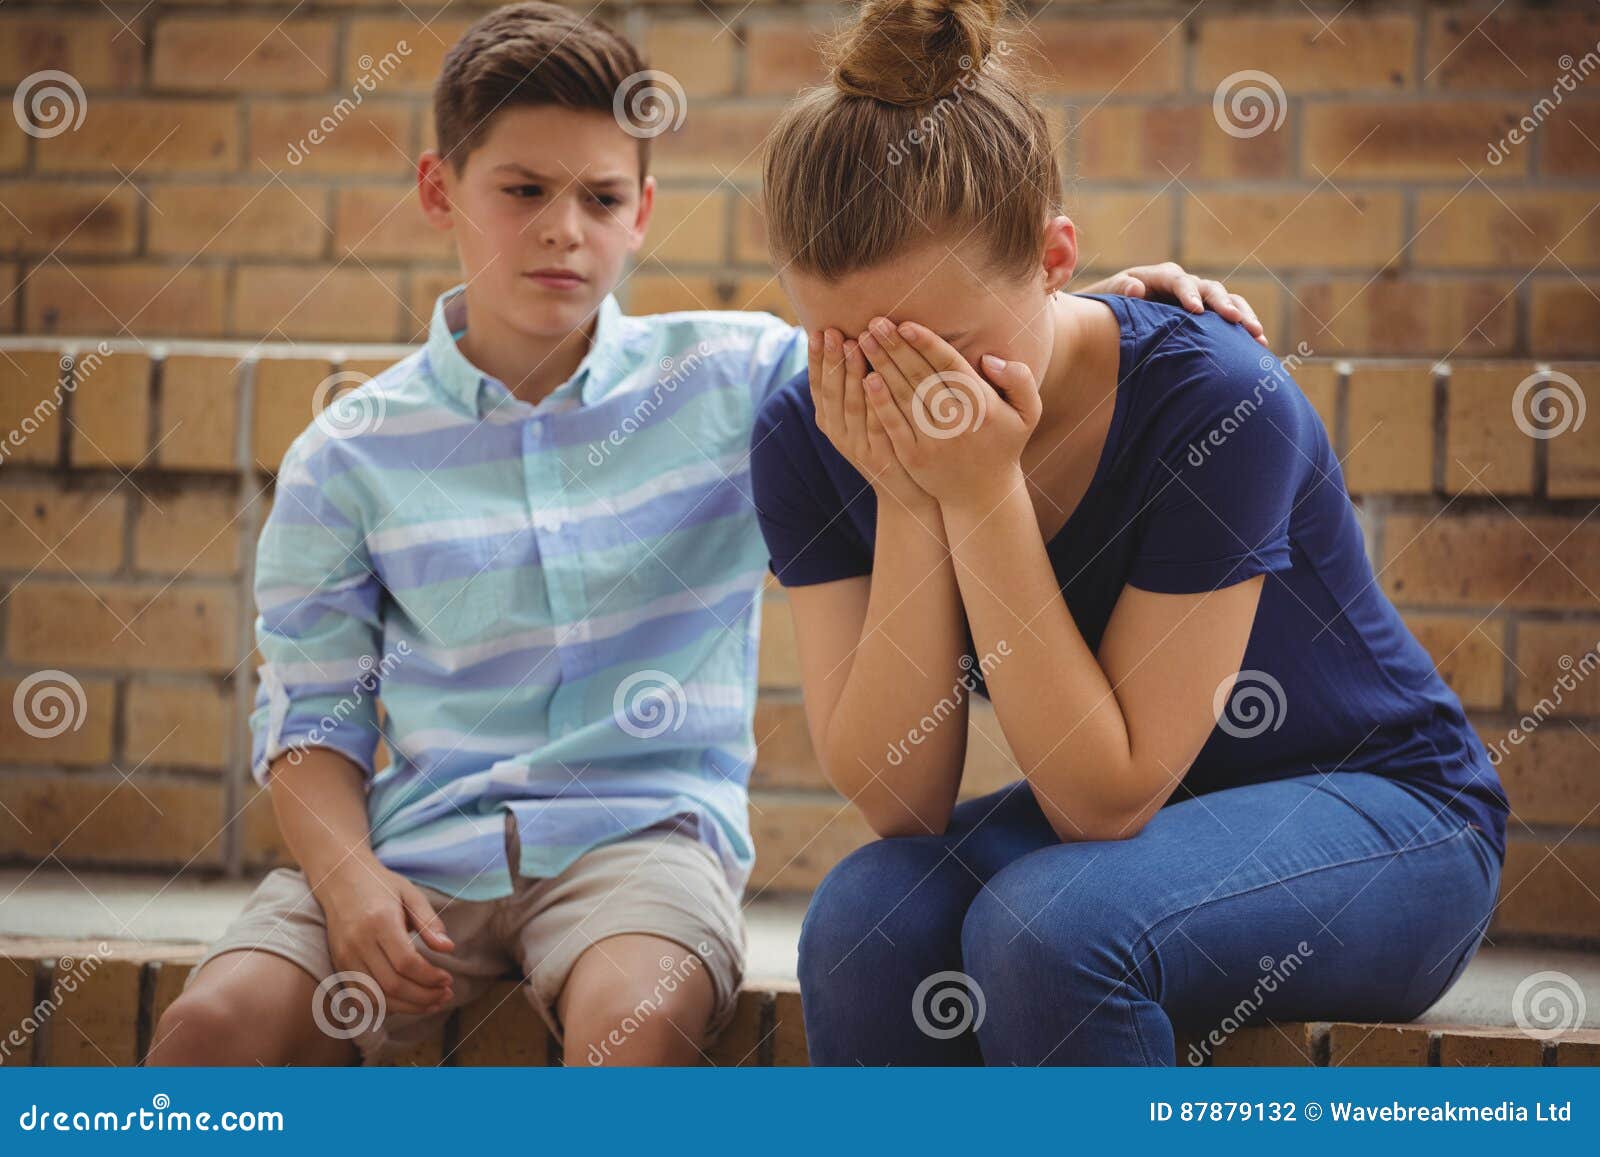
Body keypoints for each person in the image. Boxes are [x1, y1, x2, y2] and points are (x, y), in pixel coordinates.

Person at [146, 1, 1248, 1067]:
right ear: (441, 188)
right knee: (210, 1029)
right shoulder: (348, 451)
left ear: (643, 210)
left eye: (600, 196)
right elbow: (310, 712)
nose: (561, 230)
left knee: (633, 1025)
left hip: (639, 851)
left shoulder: (735, 377)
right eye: (522, 189)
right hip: (413, 844)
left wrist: (1097, 306)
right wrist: (345, 880)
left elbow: (934, 323)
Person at [748, 0, 1508, 1065]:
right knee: (862, 921)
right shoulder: (807, 427)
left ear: (1055, 257)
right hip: (1139, 838)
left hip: (1387, 816)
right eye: (852, 345)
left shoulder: (1215, 400)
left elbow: (1105, 798)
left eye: (944, 344)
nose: (904, 385)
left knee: (1049, 932)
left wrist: (978, 494)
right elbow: (900, 795)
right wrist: (914, 499)